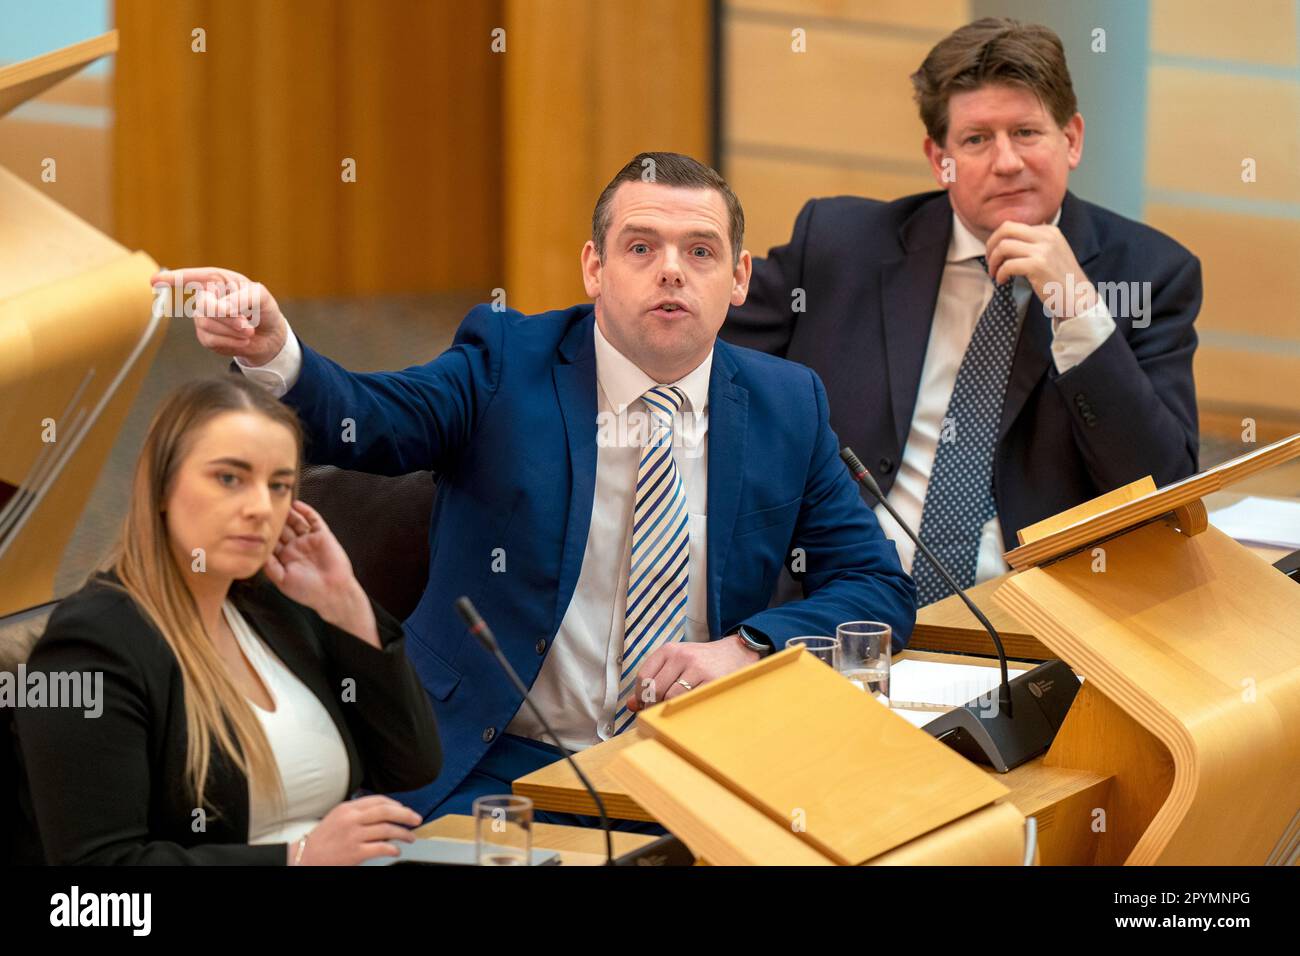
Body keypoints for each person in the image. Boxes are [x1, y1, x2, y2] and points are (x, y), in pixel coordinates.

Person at [160, 151, 917, 823]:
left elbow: (876, 587)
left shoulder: (788, 403)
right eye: (641, 247)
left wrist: (748, 650)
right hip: (490, 763)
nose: (672, 271)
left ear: (740, 277)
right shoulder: (505, 363)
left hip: (691, 764)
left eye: (700, 251)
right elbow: (370, 419)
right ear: (594, 267)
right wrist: (278, 351)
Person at [724, 17, 1201, 606]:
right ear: (938, 158)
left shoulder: (1150, 275)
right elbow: (697, 348)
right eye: (976, 139)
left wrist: (1078, 308)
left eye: (1027, 132)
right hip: (836, 606)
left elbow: (1164, 495)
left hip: (1038, 626)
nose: (1006, 162)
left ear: (1071, 139)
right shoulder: (841, 245)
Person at [15, 376, 442, 864]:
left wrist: (346, 604)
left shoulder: (279, 607)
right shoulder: (92, 645)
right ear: (159, 487)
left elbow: (413, 764)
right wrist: (296, 858)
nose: (261, 507)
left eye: (279, 485)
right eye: (229, 479)